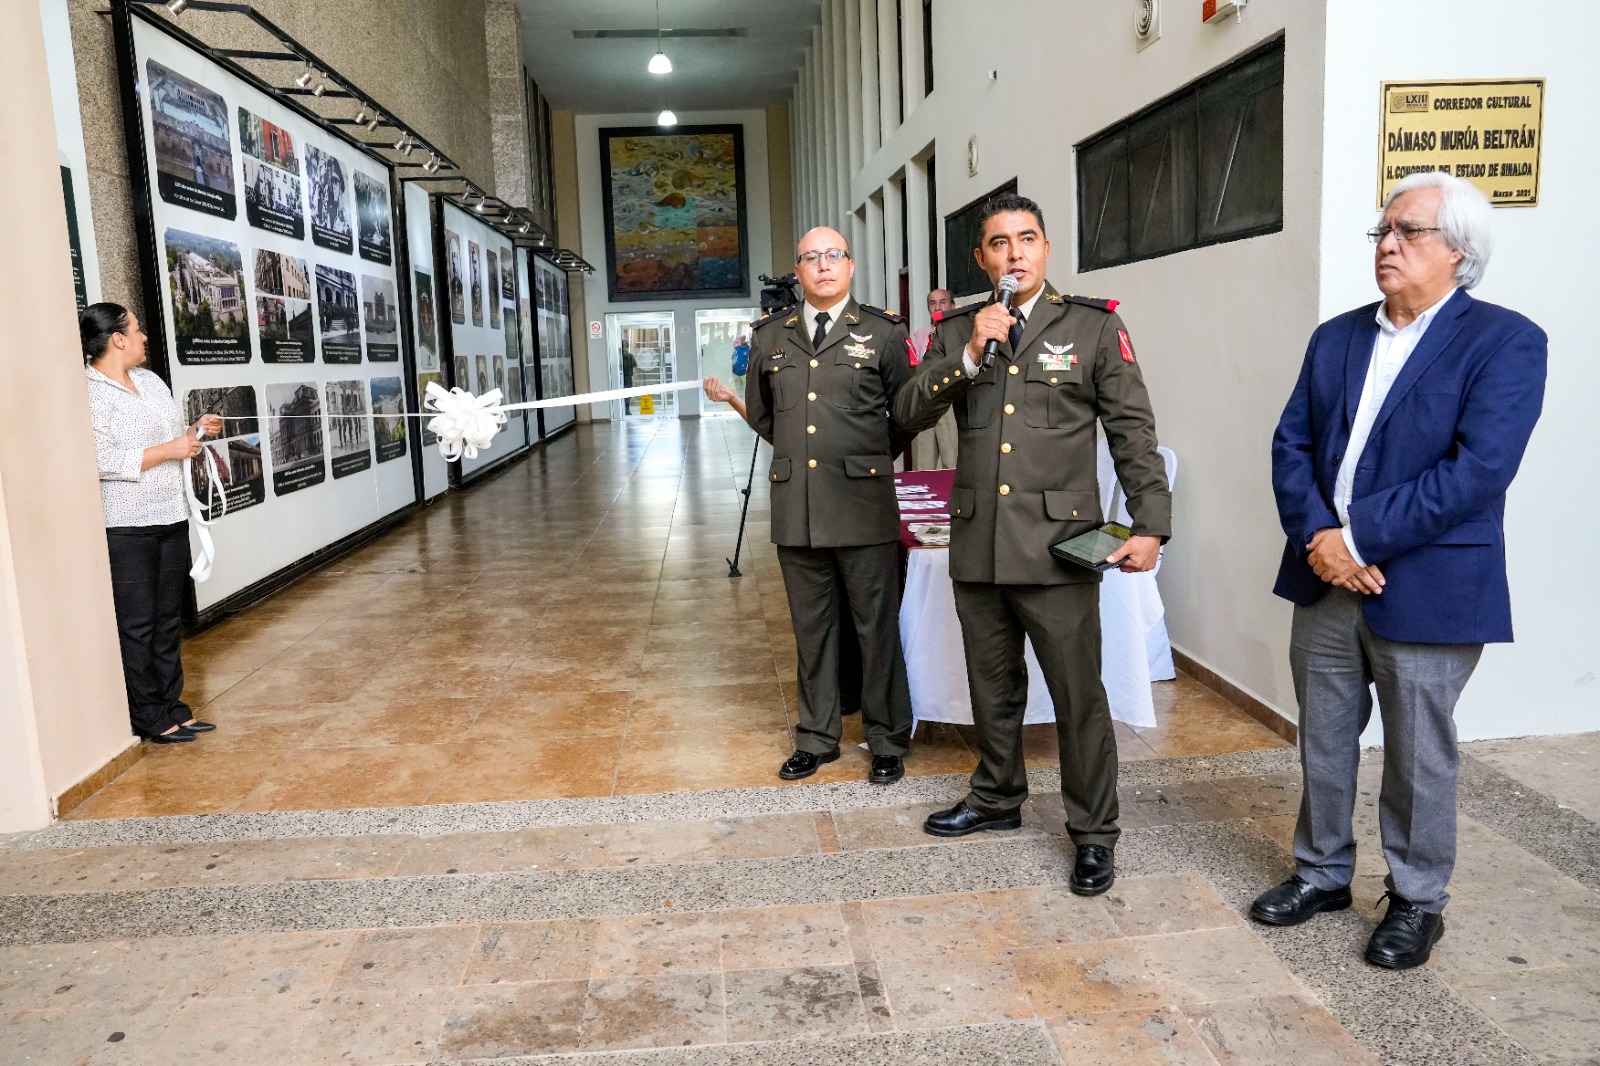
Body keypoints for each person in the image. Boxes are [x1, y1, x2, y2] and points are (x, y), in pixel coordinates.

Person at [1251, 172, 1546, 970]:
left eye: (1408, 232)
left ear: (1460, 252)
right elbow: (1292, 446)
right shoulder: (1336, 337)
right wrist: (1318, 533)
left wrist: (1359, 539)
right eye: (1383, 231)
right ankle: (1321, 875)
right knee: (1324, 738)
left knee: (1419, 754)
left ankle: (1417, 901)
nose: (1387, 245)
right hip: (1323, 577)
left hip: (1429, 584)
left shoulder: (1506, 341)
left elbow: (1477, 471)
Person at [894, 193, 1169, 896]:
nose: (1015, 253)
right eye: (999, 242)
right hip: (979, 541)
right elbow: (907, 412)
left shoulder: (1093, 326)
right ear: (981, 258)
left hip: (1058, 545)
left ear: (1046, 248)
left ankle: (1094, 832)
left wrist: (1150, 524)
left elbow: (1131, 430)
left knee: (1078, 694)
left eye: (1028, 238)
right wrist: (971, 351)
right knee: (993, 686)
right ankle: (996, 797)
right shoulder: (958, 327)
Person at [744, 226, 915, 783]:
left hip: (863, 507)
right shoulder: (771, 336)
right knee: (812, 630)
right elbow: (766, 416)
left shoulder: (885, 333)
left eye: (833, 256)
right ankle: (817, 737)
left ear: (851, 266)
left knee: (876, 627)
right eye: (810, 258)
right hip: (798, 510)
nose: (822, 266)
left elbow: (906, 413)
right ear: (797, 271)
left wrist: (860, 457)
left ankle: (886, 737)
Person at [83, 303, 223, 744]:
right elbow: (103, 462)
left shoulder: (150, 381)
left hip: (170, 513)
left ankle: (173, 706)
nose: (145, 337)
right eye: (138, 330)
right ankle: (148, 715)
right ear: (118, 339)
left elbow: (170, 437)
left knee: (167, 620)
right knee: (138, 623)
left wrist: (195, 432)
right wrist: (171, 449)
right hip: (126, 525)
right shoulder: (88, 393)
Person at [704, 374, 866, 718]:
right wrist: (733, 399)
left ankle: (855, 691)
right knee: (821, 612)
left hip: (853, 496)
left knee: (856, 608)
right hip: (804, 504)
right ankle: (832, 702)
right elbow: (772, 429)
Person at [909, 289, 958, 470]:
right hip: (924, 403)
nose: (937, 307)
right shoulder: (919, 336)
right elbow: (912, 366)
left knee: (952, 460)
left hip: (950, 403)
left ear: (952, 306)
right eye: (932, 303)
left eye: (943, 302)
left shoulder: (960, 333)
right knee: (922, 463)